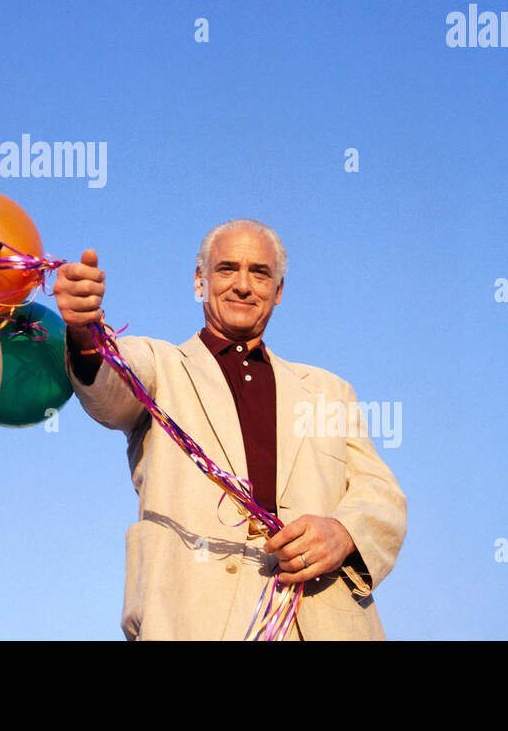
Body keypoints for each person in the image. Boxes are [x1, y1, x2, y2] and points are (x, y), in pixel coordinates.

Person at [54, 219, 406, 640]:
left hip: (325, 623)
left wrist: (344, 531)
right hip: (195, 621)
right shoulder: (161, 368)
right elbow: (110, 383)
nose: (243, 285)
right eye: (226, 269)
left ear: (278, 291)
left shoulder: (330, 392)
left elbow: (381, 496)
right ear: (199, 281)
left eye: (260, 272)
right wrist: (83, 330)